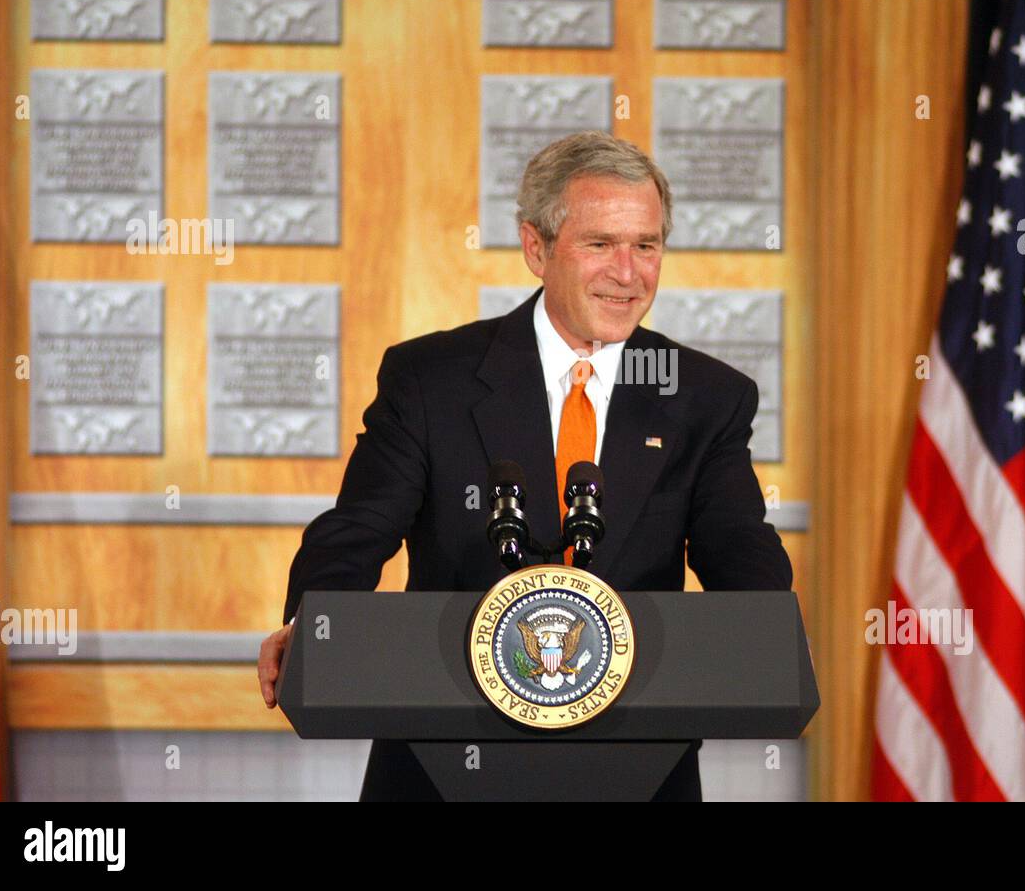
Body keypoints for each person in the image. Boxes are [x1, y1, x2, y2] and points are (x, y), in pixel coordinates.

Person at [257, 130, 792, 800]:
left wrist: (768, 630)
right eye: (600, 244)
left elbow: (737, 543)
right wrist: (312, 623)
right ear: (536, 247)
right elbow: (359, 527)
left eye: (646, 245)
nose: (628, 272)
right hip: (444, 758)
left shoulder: (702, 395)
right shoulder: (432, 378)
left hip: (638, 763)